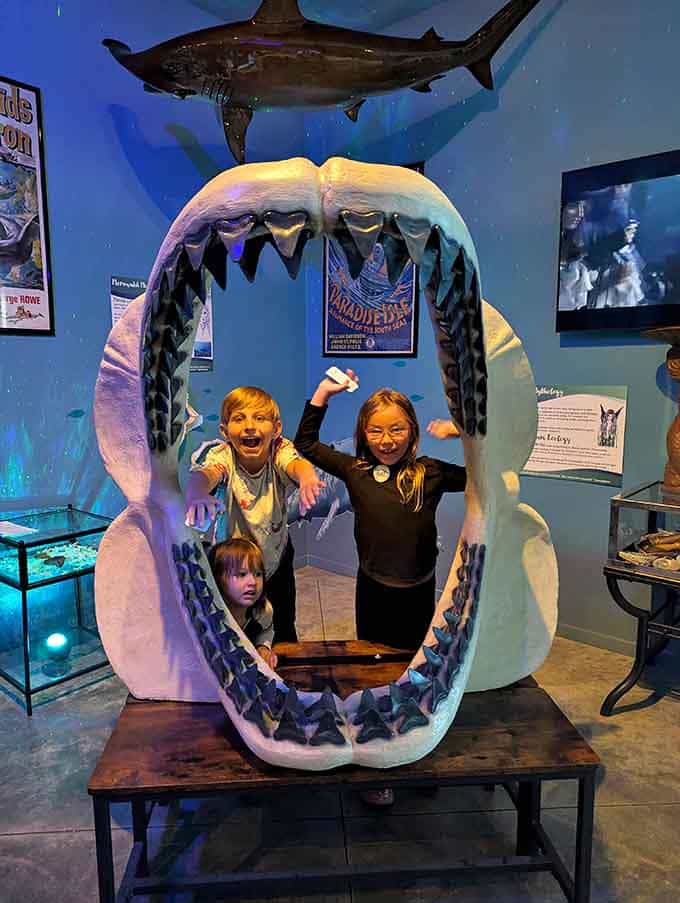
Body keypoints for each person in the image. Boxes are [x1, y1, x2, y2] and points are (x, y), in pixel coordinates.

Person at [294, 371, 465, 805]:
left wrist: (460, 429)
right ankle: (375, 761)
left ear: (411, 429)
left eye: (396, 429)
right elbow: (307, 446)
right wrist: (323, 393)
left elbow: (488, 466)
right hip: (373, 590)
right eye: (376, 430)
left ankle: (414, 752)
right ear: (363, 435)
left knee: (416, 669)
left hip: (418, 591)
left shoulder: (431, 473)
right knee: (372, 673)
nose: (386, 439)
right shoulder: (356, 471)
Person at [185, 386, 324, 643]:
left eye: (260, 418)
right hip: (236, 563)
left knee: (282, 623)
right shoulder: (223, 455)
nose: (250, 426)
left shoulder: (279, 449)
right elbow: (204, 475)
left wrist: (307, 478)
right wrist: (197, 494)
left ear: (277, 429)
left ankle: (284, 674)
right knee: (238, 627)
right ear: (225, 431)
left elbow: (295, 464)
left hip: (276, 556)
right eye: (239, 419)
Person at [208, 538, 278, 670]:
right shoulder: (213, 615)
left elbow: (267, 630)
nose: (252, 582)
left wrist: (263, 646)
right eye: (242, 574)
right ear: (218, 579)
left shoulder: (262, 610)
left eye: (258, 574)